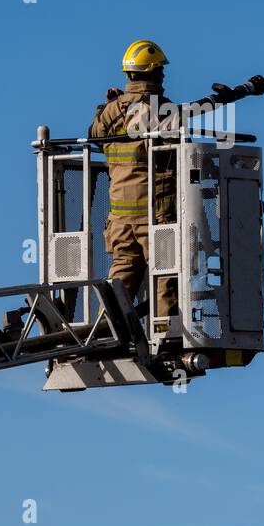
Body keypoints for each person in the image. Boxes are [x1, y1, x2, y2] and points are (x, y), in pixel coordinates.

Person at [90, 39, 180, 319]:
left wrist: (109, 104)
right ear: (151, 72)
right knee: (167, 274)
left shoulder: (110, 111)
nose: (164, 75)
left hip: (120, 219)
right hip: (157, 213)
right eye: (160, 70)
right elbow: (178, 147)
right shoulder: (162, 110)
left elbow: (95, 138)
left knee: (121, 277)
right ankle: (168, 332)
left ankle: (106, 331)